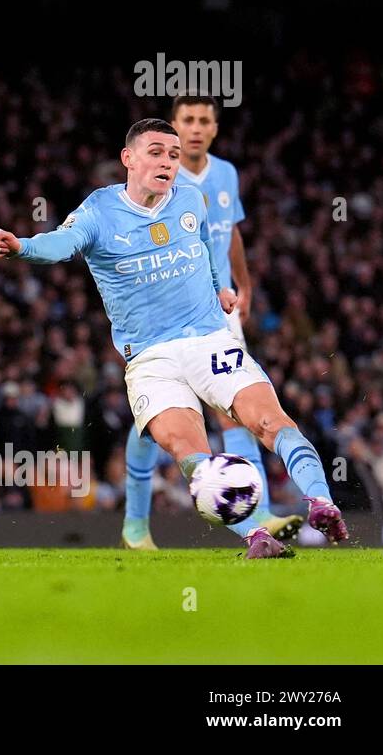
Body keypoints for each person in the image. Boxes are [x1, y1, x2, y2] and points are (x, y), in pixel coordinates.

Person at [0, 117, 347, 560]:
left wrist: (219, 287)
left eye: (174, 155)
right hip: (152, 360)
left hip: (209, 342)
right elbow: (61, 244)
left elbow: (206, 250)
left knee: (270, 421)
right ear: (129, 159)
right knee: (188, 447)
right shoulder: (98, 211)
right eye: (156, 152)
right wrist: (21, 246)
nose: (168, 162)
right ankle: (254, 536)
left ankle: (321, 501)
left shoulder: (190, 200)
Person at [123, 96, 303, 549]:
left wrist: (244, 283)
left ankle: (257, 512)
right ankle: (136, 522)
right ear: (174, 126)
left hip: (218, 309)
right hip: (166, 314)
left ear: (216, 129)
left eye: (205, 120)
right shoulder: (157, 174)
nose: (196, 128)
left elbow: (230, 232)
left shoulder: (225, 173)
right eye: (188, 120)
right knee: (161, 418)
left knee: (235, 411)